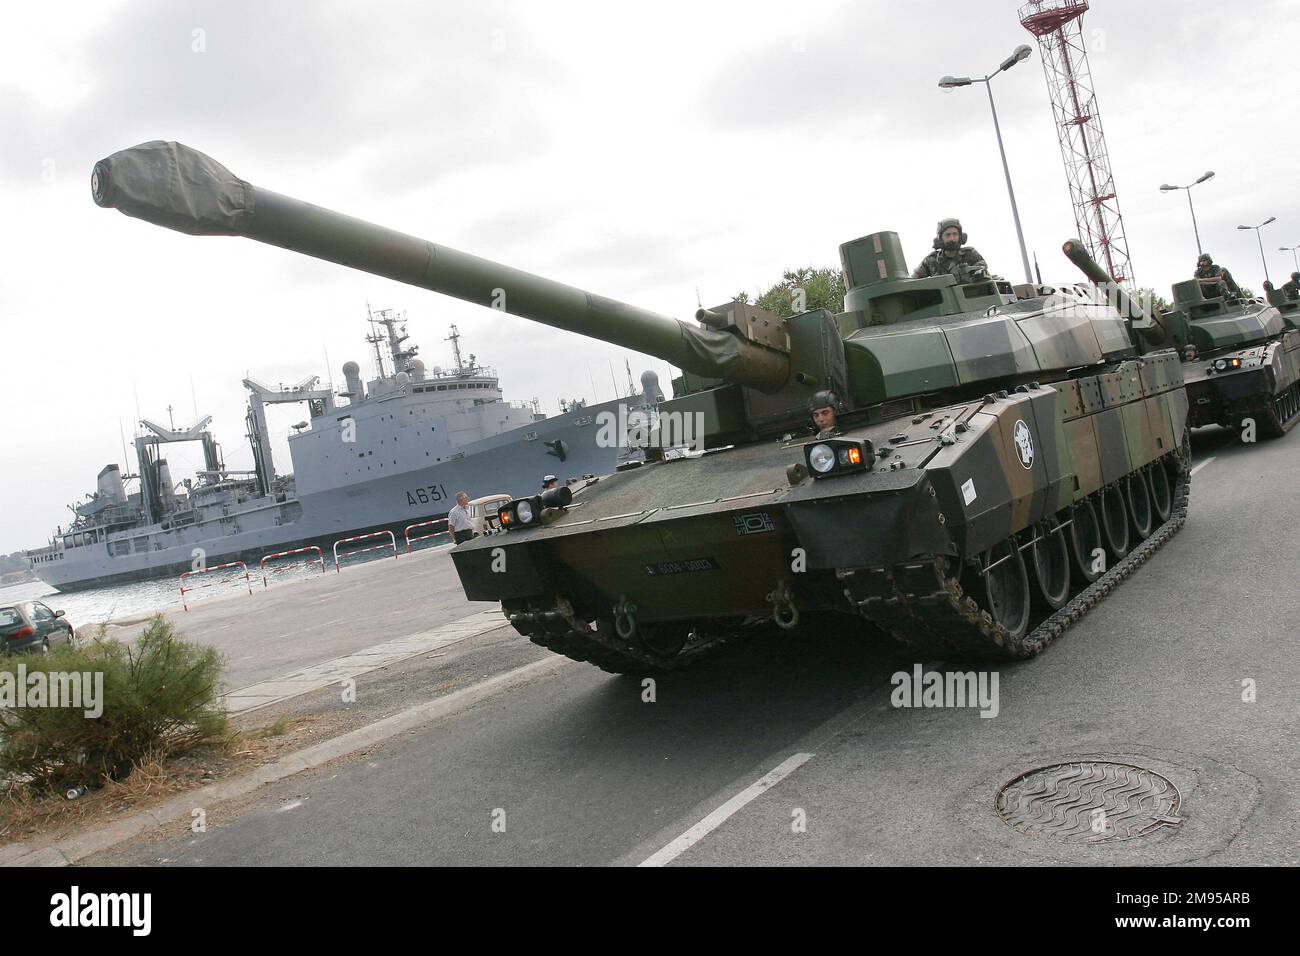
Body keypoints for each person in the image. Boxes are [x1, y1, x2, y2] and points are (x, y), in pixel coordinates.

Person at [911, 218, 990, 282]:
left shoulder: (970, 254)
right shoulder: (931, 260)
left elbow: (982, 270)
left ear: (961, 237)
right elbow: (912, 281)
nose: (952, 238)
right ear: (940, 239)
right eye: (947, 235)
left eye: (955, 234)